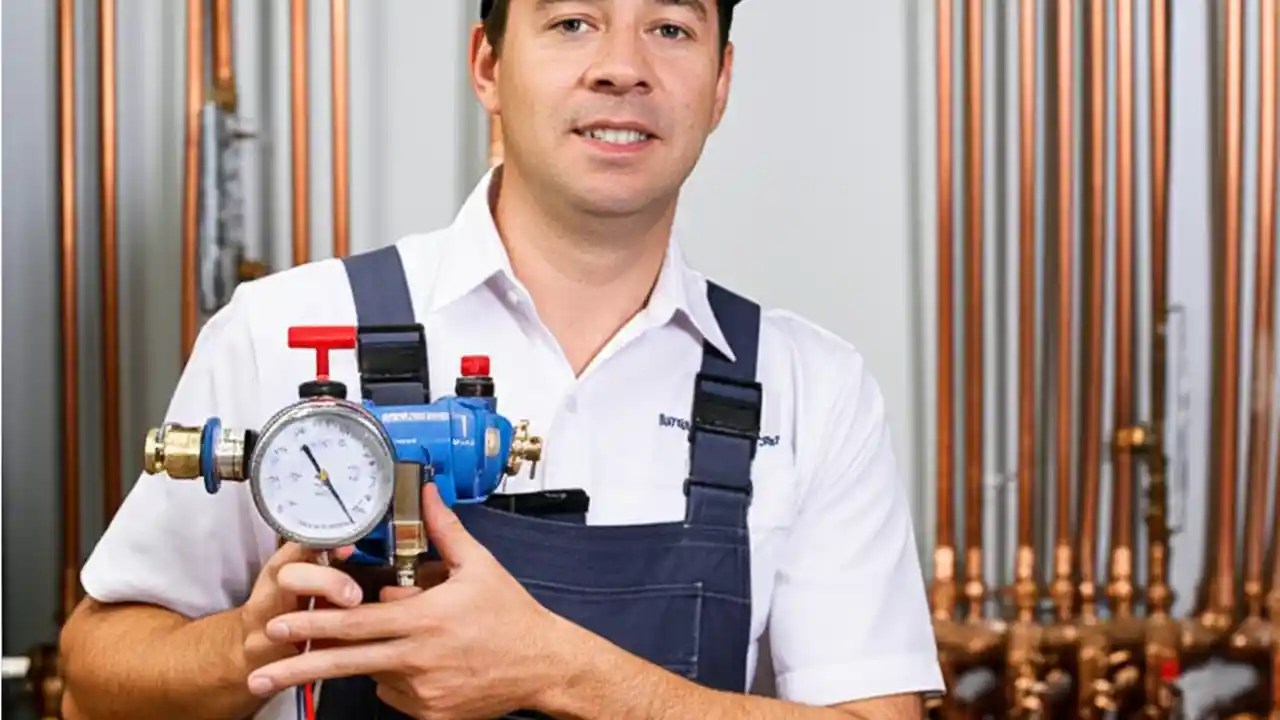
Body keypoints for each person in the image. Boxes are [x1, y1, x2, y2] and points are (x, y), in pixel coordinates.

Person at [58, 0, 944, 717]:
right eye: (572, 23)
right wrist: (249, 645)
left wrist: (560, 672)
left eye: (670, 28)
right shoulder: (283, 328)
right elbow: (95, 677)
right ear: (487, 64)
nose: (622, 66)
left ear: (720, 84)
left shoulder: (807, 387)